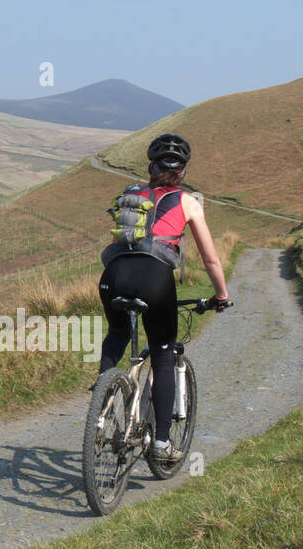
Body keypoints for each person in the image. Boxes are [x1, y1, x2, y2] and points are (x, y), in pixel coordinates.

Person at [96, 133, 230, 463]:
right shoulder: (188, 202)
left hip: (113, 275)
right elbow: (211, 259)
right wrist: (221, 295)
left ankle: (101, 411)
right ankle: (160, 442)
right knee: (163, 351)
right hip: (155, 280)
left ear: (150, 166)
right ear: (182, 172)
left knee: (116, 335)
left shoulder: (130, 194)